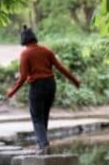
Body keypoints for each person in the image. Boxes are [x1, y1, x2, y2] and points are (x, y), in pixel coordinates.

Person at [6, 25, 81, 153]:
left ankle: (43, 145)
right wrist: (75, 81)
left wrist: (12, 92)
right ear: (34, 38)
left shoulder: (26, 54)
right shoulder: (46, 51)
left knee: (37, 117)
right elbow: (61, 67)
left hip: (37, 86)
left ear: (23, 40)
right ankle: (43, 143)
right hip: (51, 85)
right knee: (44, 115)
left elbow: (23, 77)